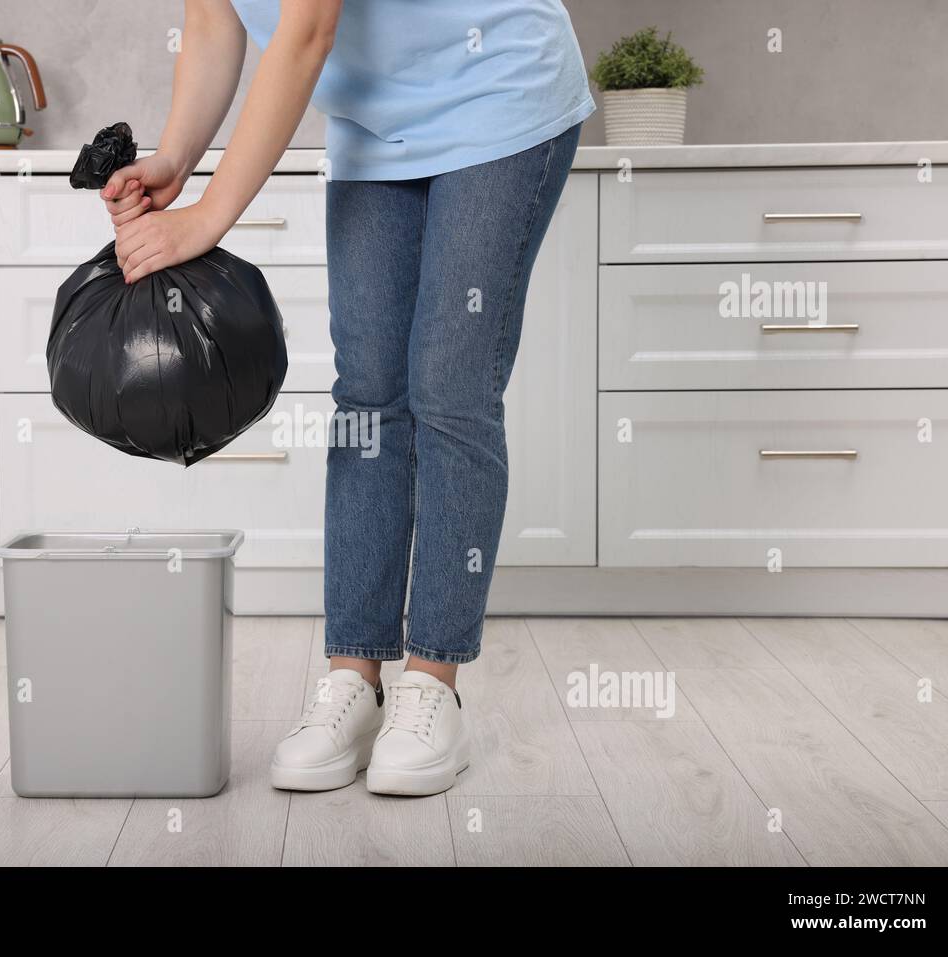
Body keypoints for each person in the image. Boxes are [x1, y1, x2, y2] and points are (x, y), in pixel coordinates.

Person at [103, 0, 593, 796]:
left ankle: (433, 683)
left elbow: (305, 30)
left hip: (498, 97)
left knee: (450, 386)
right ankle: (353, 680)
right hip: (376, 127)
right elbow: (211, 18)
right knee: (367, 395)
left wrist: (206, 219)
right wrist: (178, 158)